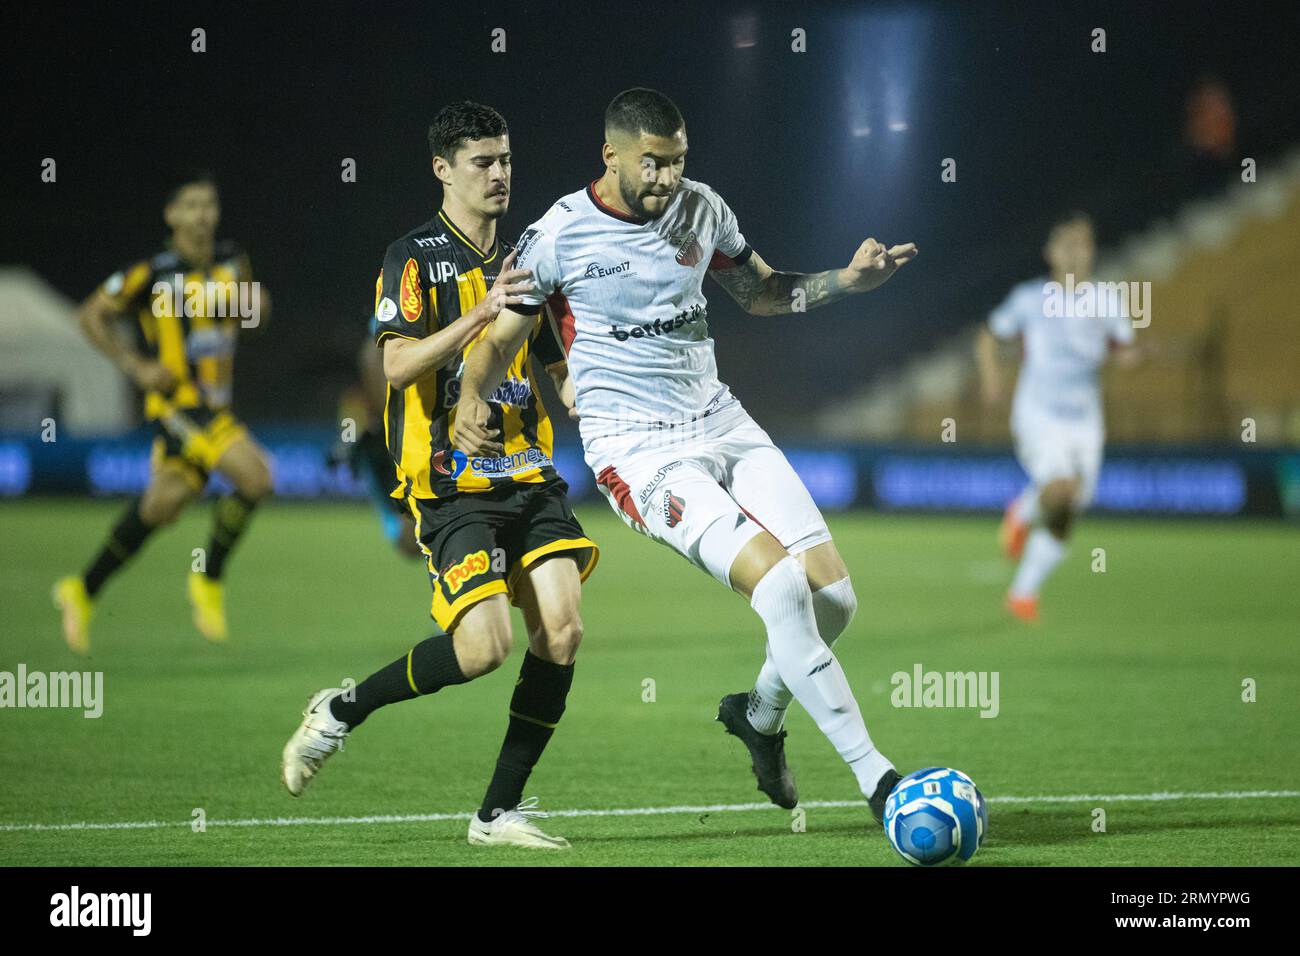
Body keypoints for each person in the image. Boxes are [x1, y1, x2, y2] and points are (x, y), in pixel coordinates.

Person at [457, 88, 916, 822]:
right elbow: (501, 340)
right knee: (781, 591)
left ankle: (759, 716)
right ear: (611, 156)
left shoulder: (702, 208)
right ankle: (881, 782)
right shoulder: (557, 237)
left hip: (721, 421)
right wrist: (471, 395)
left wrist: (848, 283)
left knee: (835, 600)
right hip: (639, 453)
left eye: (677, 162)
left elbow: (763, 293)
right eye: (654, 164)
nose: (668, 178)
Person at [281, 102, 597, 850]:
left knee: (564, 626)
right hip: (448, 484)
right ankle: (341, 710)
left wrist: (595, 400)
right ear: (443, 169)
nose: (499, 175)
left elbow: (556, 361)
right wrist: (479, 314)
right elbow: (395, 364)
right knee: (483, 649)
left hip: (529, 472)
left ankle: (497, 814)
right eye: (483, 162)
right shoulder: (413, 257)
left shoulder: (529, 258)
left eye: (507, 160)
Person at [53, 170, 273, 652]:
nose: (202, 214)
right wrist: (135, 366)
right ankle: (208, 577)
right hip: (179, 405)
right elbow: (89, 315)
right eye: (191, 205)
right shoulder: (151, 272)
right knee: (257, 478)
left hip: (214, 403)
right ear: (172, 215)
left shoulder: (232, 260)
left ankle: (83, 589)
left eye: (209, 204)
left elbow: (253, 316)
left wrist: (256, 307)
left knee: (161, 505)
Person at [976, 212, 1140, 622]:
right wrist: (992, 379)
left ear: (1091, 252)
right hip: (1039, 414)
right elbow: (987, 336)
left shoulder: (1107, 299)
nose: (1072, 253)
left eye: (1080, 244)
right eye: (1064, 244)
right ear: (1050, 252)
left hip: (1086, 421)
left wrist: (1131, 358)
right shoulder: (1030, 298)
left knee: (1069, 510)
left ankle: (1022, 590)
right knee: (1062, 490)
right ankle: (1026, 513)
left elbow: (1123, 349)